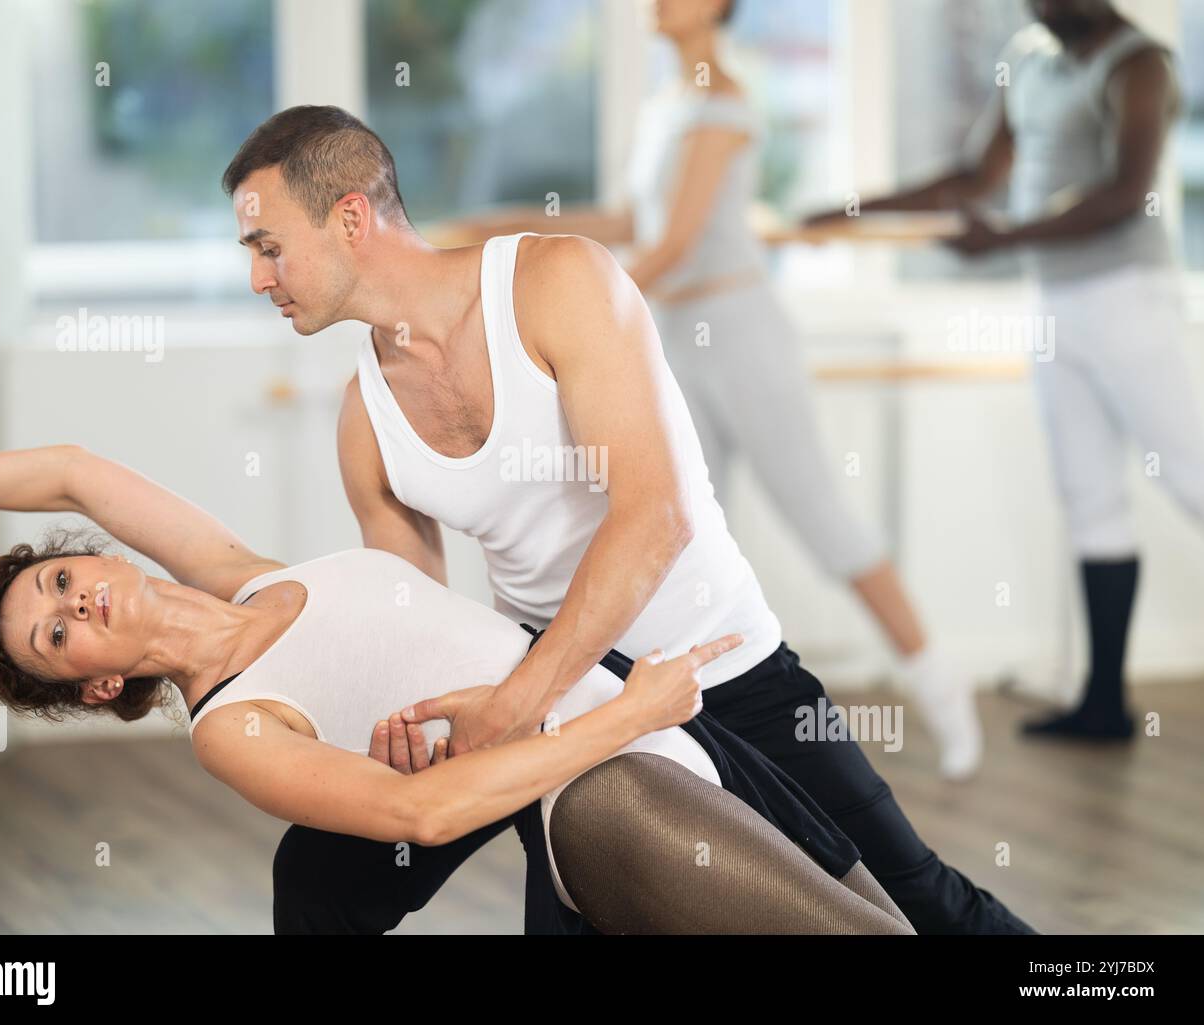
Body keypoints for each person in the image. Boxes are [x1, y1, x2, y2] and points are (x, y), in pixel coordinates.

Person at [219, 100, 1036, 933]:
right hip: (571, 718)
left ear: (350, 218)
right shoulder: (365, 421)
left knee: (924, 902)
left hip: (723, 672)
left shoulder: (557, 282)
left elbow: (655, 517)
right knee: (318, 877)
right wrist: (406, 731)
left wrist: (518, 701)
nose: (258, 278)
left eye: (268, 246)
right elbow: (416, 624)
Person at [0, 444, 917, 935]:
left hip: (680, 742)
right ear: (97, 683)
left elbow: (69, 470)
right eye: (55, 636)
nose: (75, 605)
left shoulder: (251, 574)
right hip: (609, 796)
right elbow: (418, 813)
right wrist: (627, 712)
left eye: (61, 581)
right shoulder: (233, 726)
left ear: (98, 559)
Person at [434, 0, 983, 780]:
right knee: (676, 536)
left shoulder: (725, 102)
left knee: (821, 516)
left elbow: (676, 245)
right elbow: (629, 220)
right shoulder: (667, 105)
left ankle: (941, 686)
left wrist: (570, 306)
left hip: (742, 334)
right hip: (675, 337)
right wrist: (504, 227)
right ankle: (687, 725)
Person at [808, 0, 1203, 741]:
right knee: (1090, 497)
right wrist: (849, 212)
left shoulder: (1140, 65)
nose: (1037, 6)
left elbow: (1127, 192)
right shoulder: (1026, 58)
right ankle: (1104, 704)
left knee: (1191, 475)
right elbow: (973, 177)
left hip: (1129, 298)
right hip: (1056, 300)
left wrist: (1007, 238)